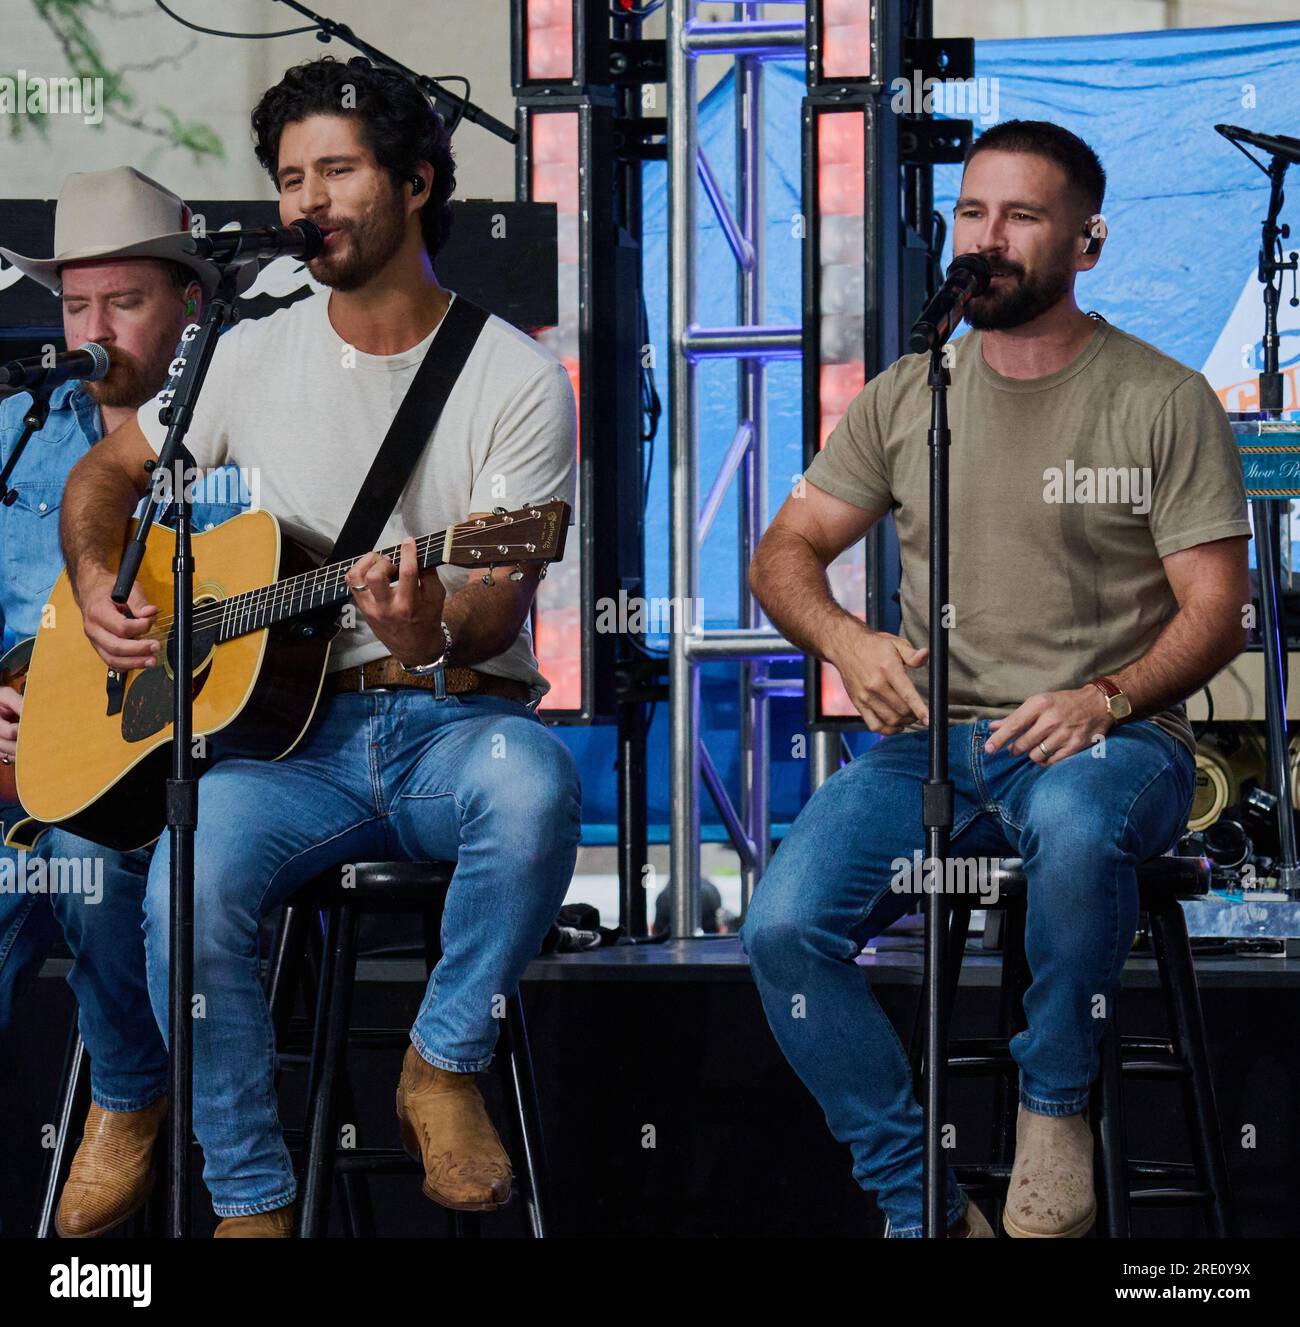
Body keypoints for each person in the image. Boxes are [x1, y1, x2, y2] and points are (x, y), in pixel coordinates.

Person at [60, 57, 581, 1237]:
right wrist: (99, 578)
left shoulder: (512, 375)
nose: (309, 201)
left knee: (537, 785)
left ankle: (442, 1060)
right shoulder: (242, 351)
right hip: (291, 745)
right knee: (184, 880)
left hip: (454, 724)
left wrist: (432, 622)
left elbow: (498, 600)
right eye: (292, 178)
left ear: (417, 181)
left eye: (338, 170)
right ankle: (248, 1197)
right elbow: (106, 473)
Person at [743, 120, 1250, 1239]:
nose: (988, 236)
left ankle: (1053, 1106)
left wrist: (1103, 698)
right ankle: (919, 1203)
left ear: (1087, 243)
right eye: (973, 212)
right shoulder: (907, 395)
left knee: (1074, 826)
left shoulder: (1161, 399)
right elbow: (784, 552)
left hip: (1115, 742)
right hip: (936, 743)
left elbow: (1220, 611)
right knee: (780, 929)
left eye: (1021, 216)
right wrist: (844, 639)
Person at [0, 165, 242, 1235]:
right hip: (15, 772)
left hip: (179, 771)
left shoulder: (243, 422)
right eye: (75, 303)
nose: (94, 327)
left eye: (125, 301)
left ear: (188, 301)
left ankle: (129, 1089)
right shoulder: (18, 429)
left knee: (85, 855)